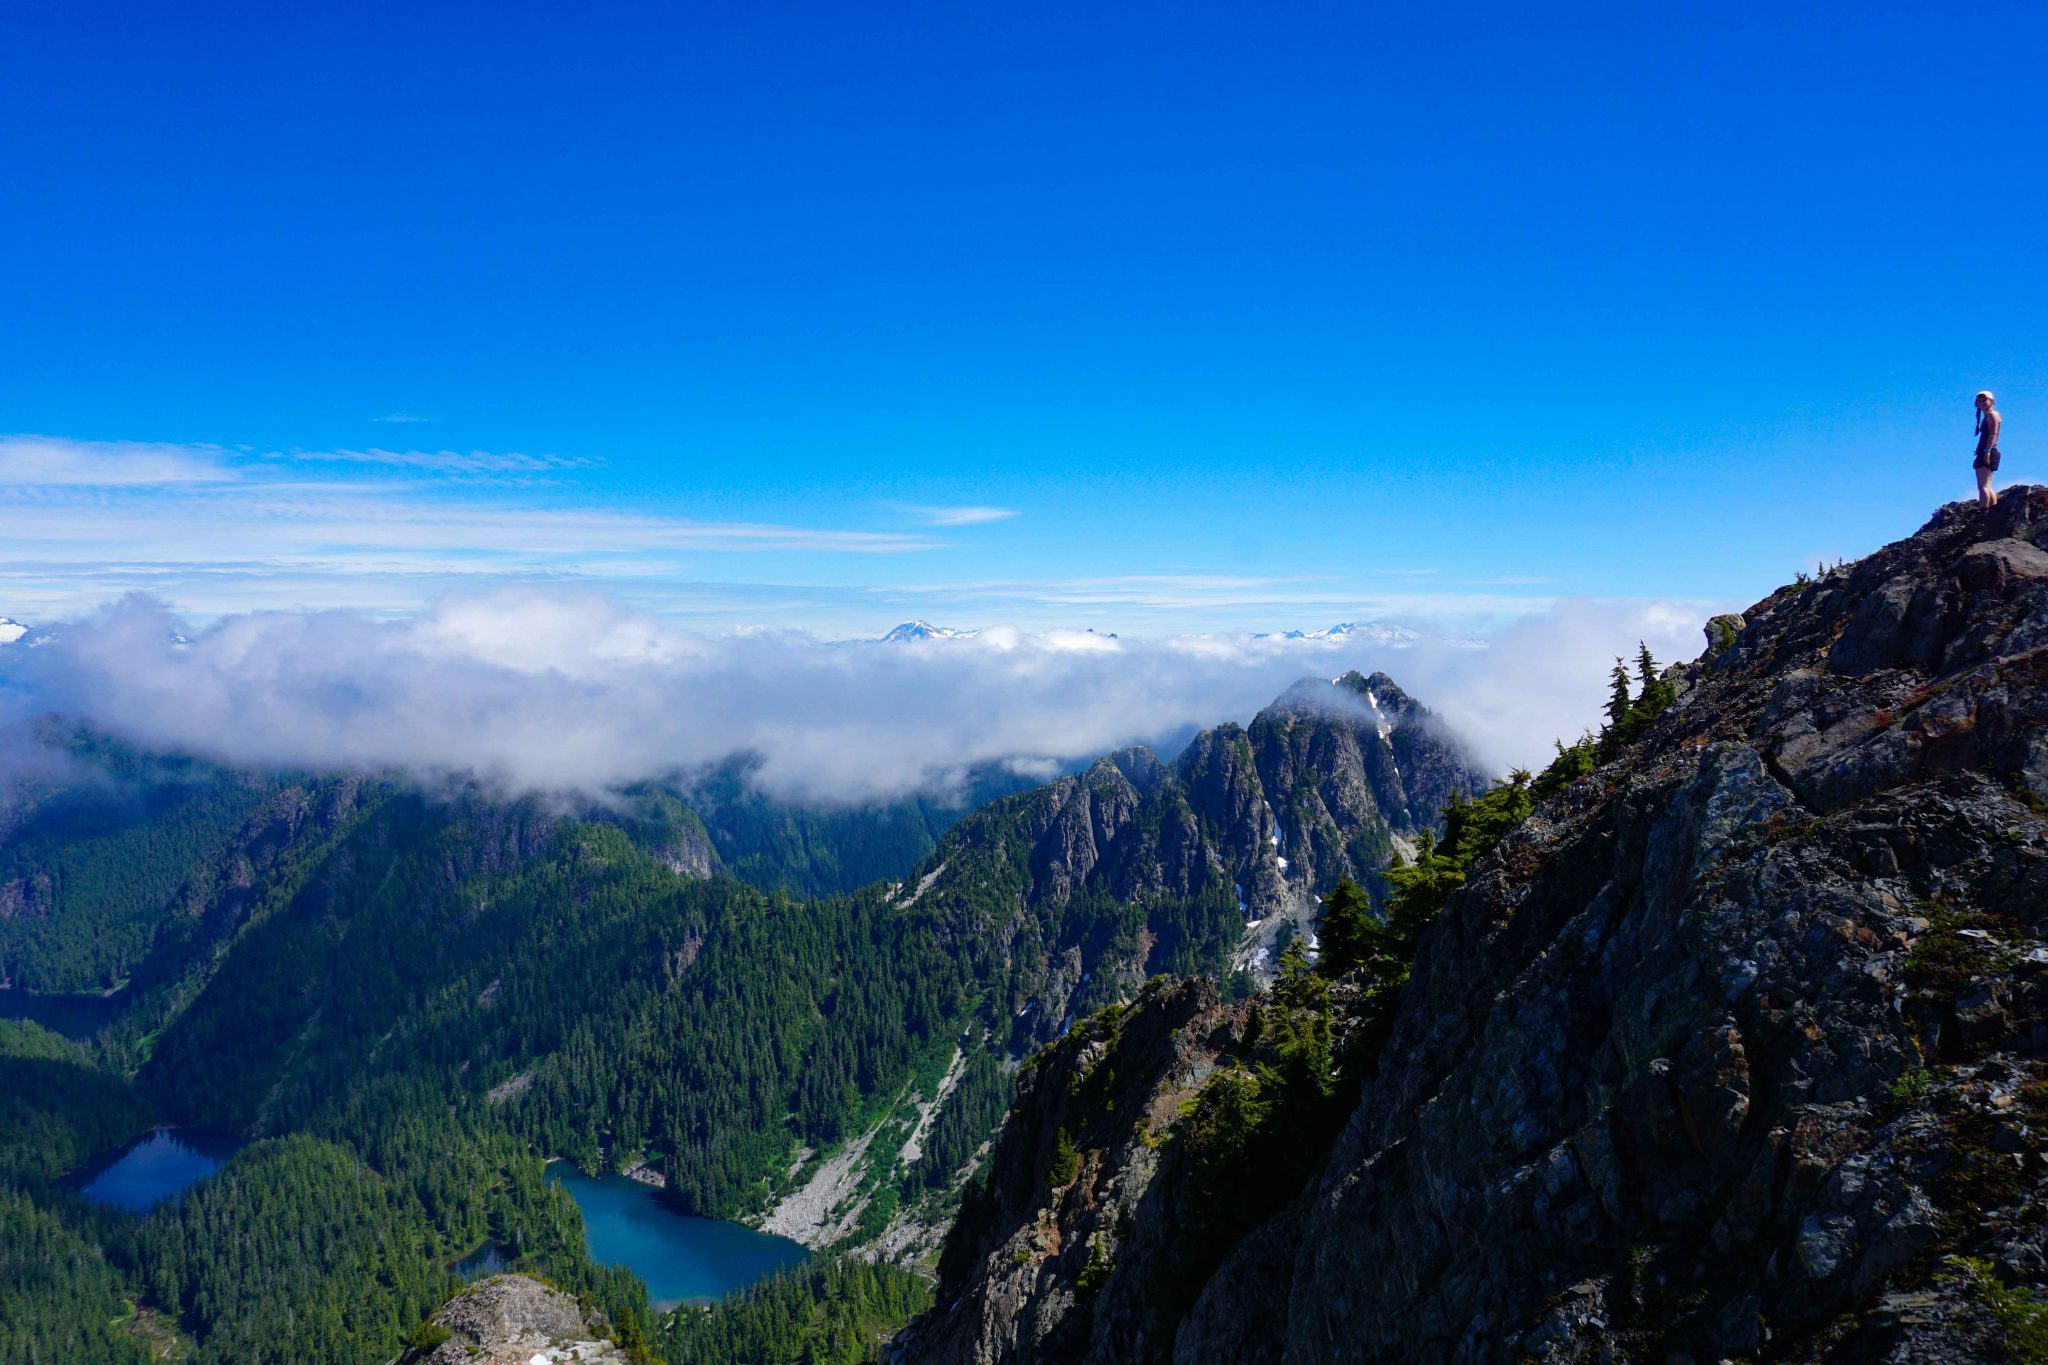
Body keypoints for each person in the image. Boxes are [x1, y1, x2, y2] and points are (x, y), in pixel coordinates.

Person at [1974, 390, 2003, 509]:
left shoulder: (1992, 414)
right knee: (1987, 485)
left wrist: (1987, 451)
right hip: (1988, 451)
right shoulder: (1989, 415)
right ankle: (1992, 511)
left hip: (1988, 451)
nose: (1982, 402)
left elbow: (1993, 434)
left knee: (1983, 486)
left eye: (1984, 400)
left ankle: (1983, 512)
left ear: (1991, 401)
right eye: (1979, 401)